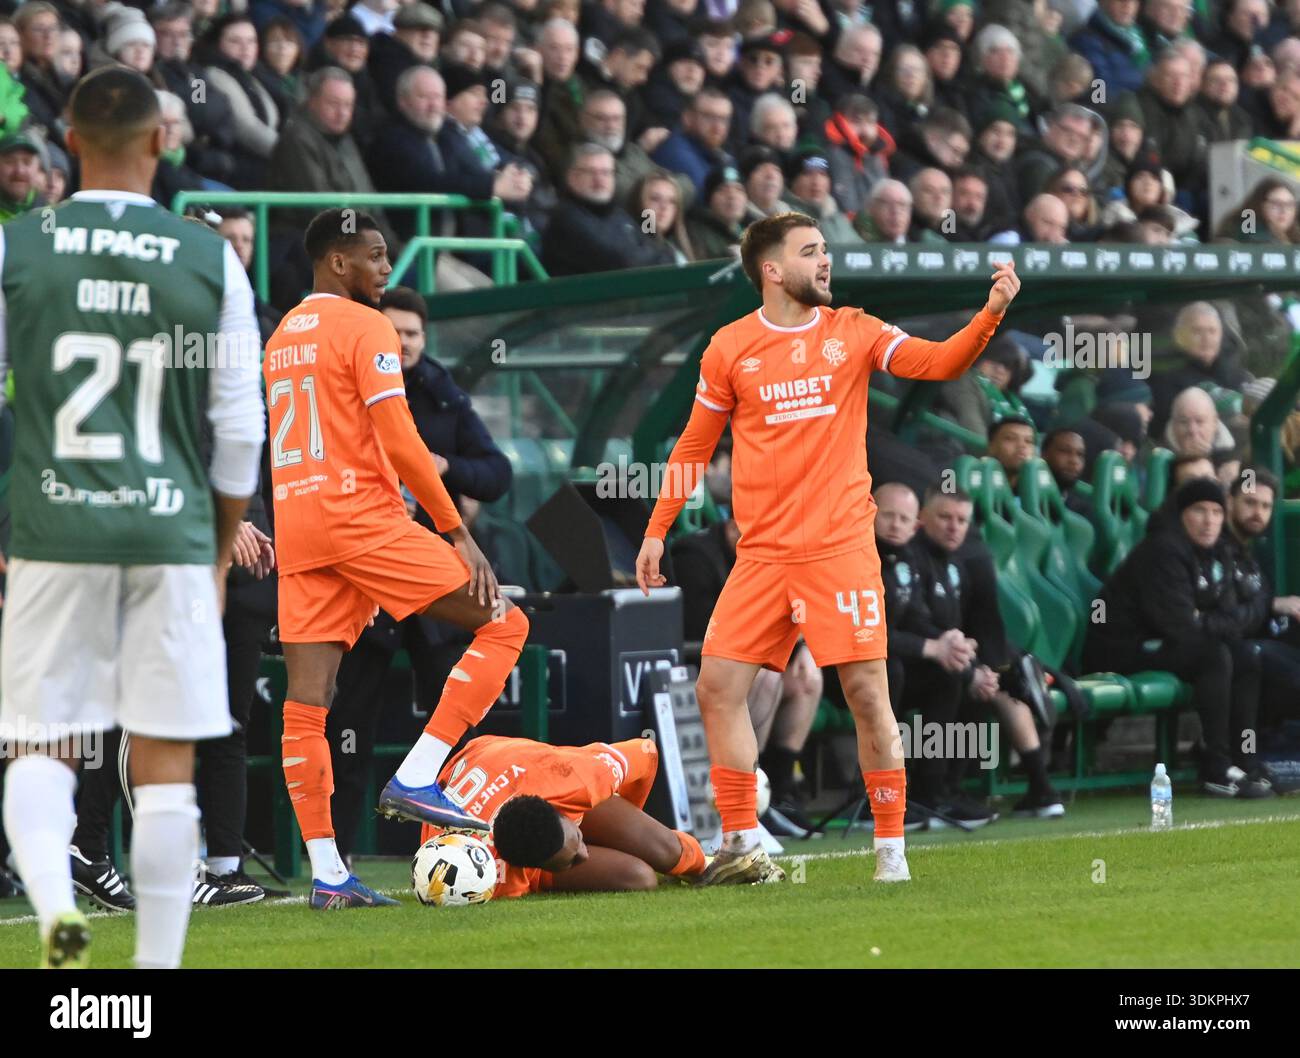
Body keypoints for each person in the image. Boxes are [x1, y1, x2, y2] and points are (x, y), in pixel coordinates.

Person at [635, 211, 1020, 885]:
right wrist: (656, 529)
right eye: (811, 252)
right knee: (717, 686)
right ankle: (741, 840)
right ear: (772, 270)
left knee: (869, 694)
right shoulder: (730, 347)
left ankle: (891, 852)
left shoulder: (854, 330)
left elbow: (939, 361)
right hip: (762, 555)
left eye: (826, 250)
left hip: (840, 548)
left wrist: (989, 314)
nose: (826, 262)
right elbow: (693, 447)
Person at [0, 67, 265, 967]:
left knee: (41, 743)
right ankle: (153, 973)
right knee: (167, 766)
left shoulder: (18, 249)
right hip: (169, 531)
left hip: (52, 525)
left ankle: (55, 918)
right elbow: (239, 432)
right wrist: (220, 546)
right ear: (163, 142)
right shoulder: (211, 258)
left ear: (66, 144)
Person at [263, 209, 530, 909]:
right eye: (376, 256)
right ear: (338, 262)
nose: (387, 269)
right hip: (361, 519)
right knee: (506, 624)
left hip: (300, 527)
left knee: (306, 708)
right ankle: (418, 771)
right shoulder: (366, 326)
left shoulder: (283, 334)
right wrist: (454, 528)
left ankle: (327, 874)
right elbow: (401, 437)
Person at [325, 285, 512, 862]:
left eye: (414, 334)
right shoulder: (349, 382)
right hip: (370, 576)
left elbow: (497, 472)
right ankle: (339, 859)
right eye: (395, 331)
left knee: (461, 720)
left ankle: (475, 847)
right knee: (349, 727)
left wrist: (444, 469)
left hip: (433, 579)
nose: (403, 343)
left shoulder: (439, 390)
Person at [1083, 478, 1273, 798]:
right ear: (1181, 513)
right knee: (1213, 655)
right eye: (1200, 511)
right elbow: (1179, 625)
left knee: (1245, 655)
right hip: (1121, 648)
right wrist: (1210, 620)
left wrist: (1206, 619)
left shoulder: (1219, 551)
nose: (1209, 521)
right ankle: (1215, 765)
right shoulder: (1162, 549)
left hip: (1168, 643)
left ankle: (1245, 759)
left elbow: (1234, 621)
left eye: (1216, 512)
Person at [420, 735, 706, 896]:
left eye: (578, 840)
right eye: (569, 862)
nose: (584, 853)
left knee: (668, 851)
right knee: (639, 877)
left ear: (563, 810)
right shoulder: (487, 880)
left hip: (523, 767)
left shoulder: (577, 777)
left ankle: (712, 861)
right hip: (500, 803)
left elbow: (645, 752)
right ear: (529, 868)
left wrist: (629, 811)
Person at [1042, 426, 1091, 516]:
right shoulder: (1025, 496)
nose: (1074, 461)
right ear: (1044, 455)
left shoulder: (1084, 509)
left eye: (1080, 454)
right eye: (1065, 451)